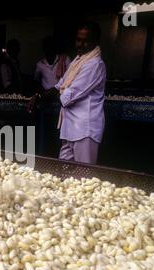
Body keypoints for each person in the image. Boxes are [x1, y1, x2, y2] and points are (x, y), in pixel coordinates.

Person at [28, 21, 106, 165]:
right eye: (78, 40)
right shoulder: (77, 61)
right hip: (70, 128)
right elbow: (59, 86)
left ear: (95, 42)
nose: (80, 45)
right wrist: (38, 96)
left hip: (85, 130)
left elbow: (67, 96)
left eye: (85, 41)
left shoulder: (95, 65)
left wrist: (57, 91)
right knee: (64, 175)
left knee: (85, 176)